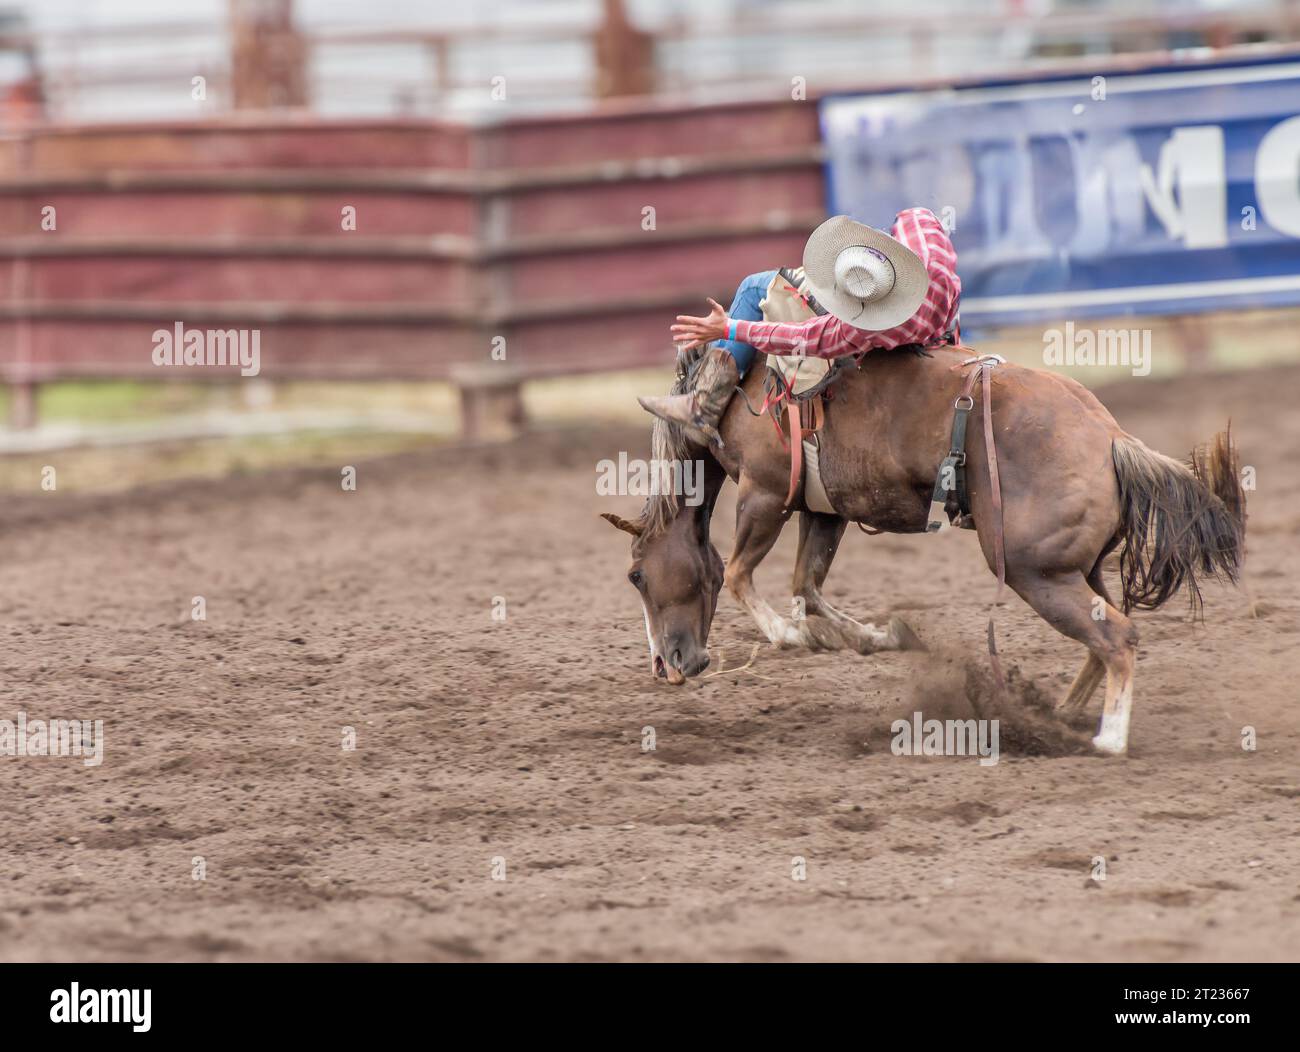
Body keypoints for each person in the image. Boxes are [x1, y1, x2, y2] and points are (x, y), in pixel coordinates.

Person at [638, 207, 961, 445]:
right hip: (937, 332)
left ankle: (704, 403)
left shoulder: (859, 330)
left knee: (753, 287)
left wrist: (728, 329)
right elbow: (919, 216)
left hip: (876, 311)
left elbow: (802, 337)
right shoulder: (926, 240)